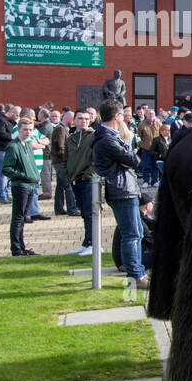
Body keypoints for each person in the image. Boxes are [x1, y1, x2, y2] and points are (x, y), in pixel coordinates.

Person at [91, 101, 149, 290]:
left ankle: (138, 271)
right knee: (131, 234)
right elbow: (134, 160)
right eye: (123, 114)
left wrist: (128, 157)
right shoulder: (107, 139)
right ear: (117, 116)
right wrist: (129, 155)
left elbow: (131, 161)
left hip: (124, 188)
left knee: (136, 233)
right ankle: (136, 276)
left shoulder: (109, 137)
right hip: (122, 190)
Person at [2, 116, 40, 256]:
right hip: (21, 186)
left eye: (30, 129)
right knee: (18, 217)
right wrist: (23, 175)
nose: (28, 132)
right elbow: (6, 168)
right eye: (25, 129)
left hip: (30, 185)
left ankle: (22, 246)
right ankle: (16, 248)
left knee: (23, 217)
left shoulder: (27, 145)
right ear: (18, 130)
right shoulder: (13, 146)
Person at [65, 109, 96, 254]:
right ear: (74, 120)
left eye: (86, 119)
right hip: (75, 180)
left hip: (88, 180)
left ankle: (93, 243)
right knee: (83, 212)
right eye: (80, 118)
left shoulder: (93, 136)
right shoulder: (70, 139)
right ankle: (86, 241)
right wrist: (68, 175)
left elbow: (96, 159)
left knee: (90, 213)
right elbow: (65, 159)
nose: (83, 121)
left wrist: (88, 175)